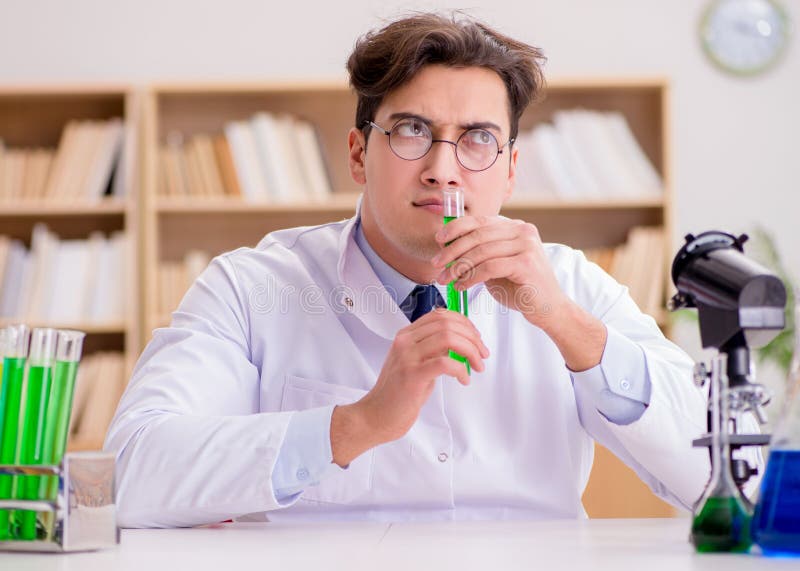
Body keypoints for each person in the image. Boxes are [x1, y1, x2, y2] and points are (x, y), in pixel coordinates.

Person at [105, 13, 723, 528]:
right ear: (358, 154)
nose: (443, 169)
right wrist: (355, 425)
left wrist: (565, 326)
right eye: (411, 131)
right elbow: (127, 476)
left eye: (478, 139)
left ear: (510, 169)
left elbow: (719, 479)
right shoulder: (252, 287)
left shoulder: (571, 286)